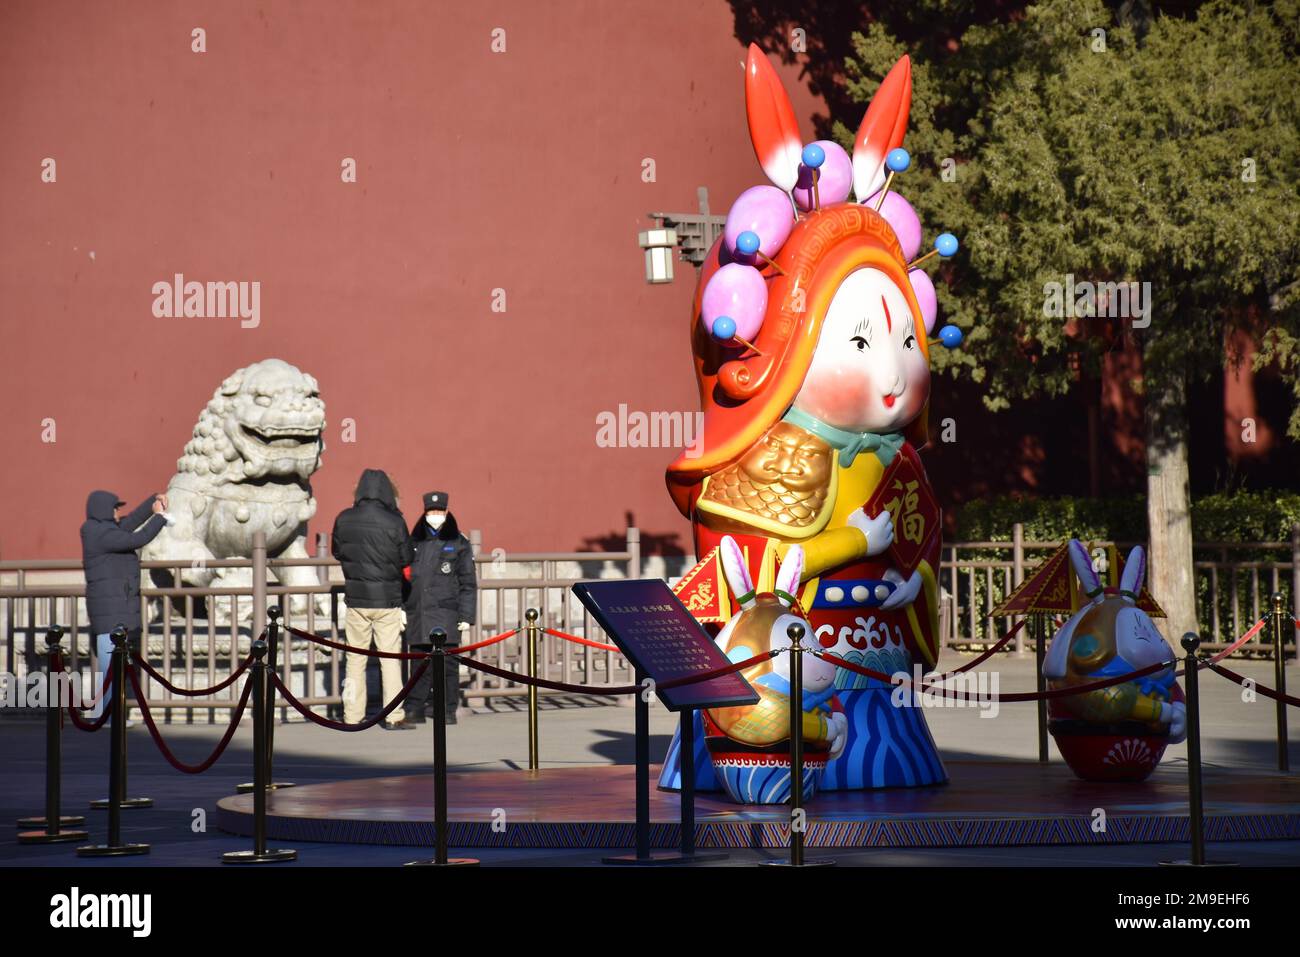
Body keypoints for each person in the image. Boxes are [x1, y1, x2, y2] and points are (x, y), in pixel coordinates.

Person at [330, 469, 415, 730]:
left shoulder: (344, 518)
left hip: (356, 600)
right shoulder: (394, 521)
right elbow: (406, 559)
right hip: (388, 601)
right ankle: (393, 716)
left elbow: (337, 551)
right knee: (390, 660)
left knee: (355, 660)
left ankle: (352, 716)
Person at [80, 490, 172, 720]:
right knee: (110, 669)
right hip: (109, 613)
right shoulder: (97, 533)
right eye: (113, 507)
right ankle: (107, 716)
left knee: (115, 668)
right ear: (102, 508)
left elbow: (130, 522)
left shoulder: (104, 531)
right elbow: (136, 538)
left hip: (114, 612)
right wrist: (160, 518)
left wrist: (152, 501)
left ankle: (110, 714)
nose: (116, 511)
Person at [403, 491, 477, 725]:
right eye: (431, 512)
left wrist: (466, 615)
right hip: (418, 610)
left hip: (446, 612)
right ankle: (415, 707)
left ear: (446, 512)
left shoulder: (458, 542)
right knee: (418, 664)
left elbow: (468, 582)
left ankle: (446, 710)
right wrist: (400, 607)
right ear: (425, 513)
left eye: (439, 512)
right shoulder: (413, 541)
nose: (435, 516)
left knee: (447, 666)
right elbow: (402, 577)